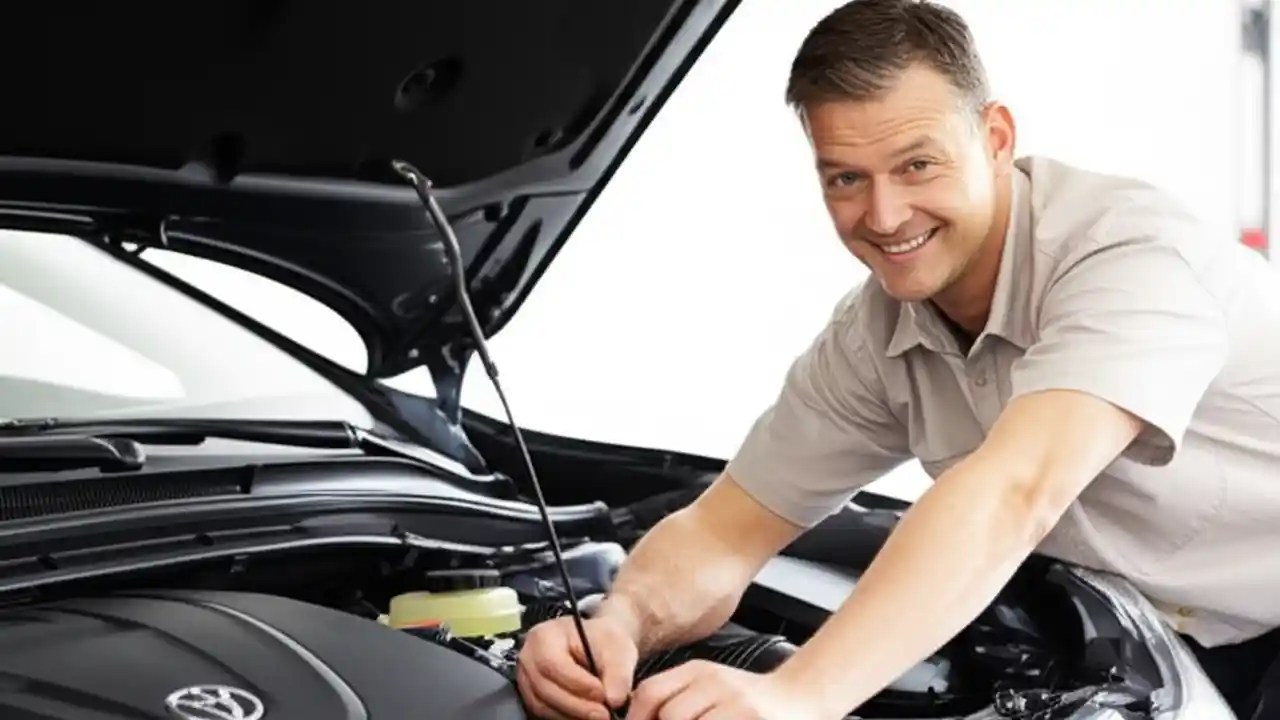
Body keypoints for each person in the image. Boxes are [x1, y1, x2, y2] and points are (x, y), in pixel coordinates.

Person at [515, 0, 1280, 718]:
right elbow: (724, 530)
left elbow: (1014, 492)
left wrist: (799, 696)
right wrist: (618, 627)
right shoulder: (873, 336)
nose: (883, 217)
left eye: (917, 166)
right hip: (1166, 648)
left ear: (996, 137)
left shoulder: (1130, 257)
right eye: (846, 178)